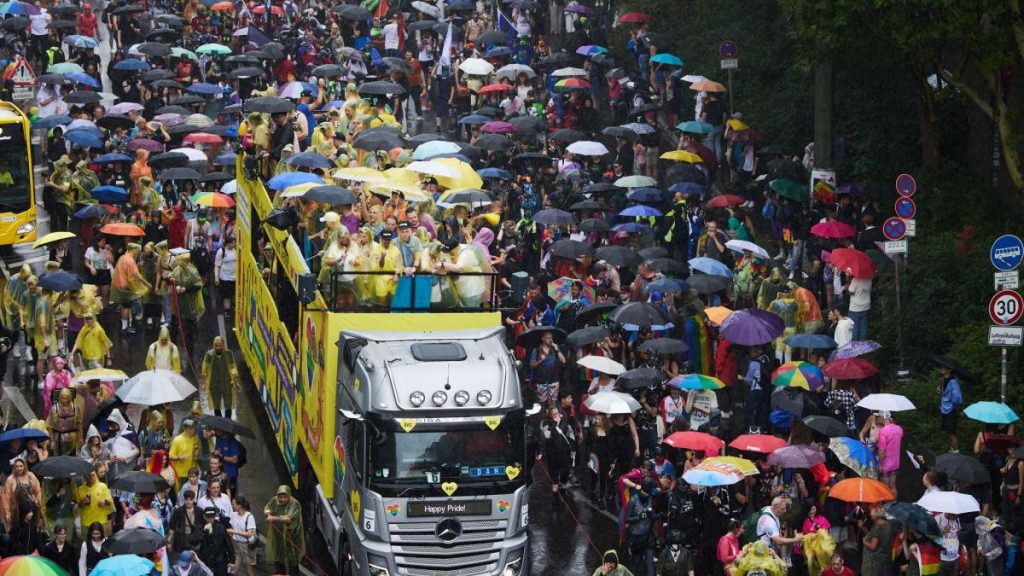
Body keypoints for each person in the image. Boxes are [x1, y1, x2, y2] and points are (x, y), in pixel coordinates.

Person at [265, 485, 304, 576]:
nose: (282, 499)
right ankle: (280, 573)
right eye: (280, 497)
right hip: (278, 534)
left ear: (289, 496)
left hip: (291, 536)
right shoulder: (275, 500)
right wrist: (267, 514)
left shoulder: (295, 504)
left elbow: (289, 518)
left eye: (285, 497)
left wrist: (273, 518)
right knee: (278, 556)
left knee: (292, 559)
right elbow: (267, 507)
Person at [538, 406, 575, 495]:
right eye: (553, 414)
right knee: (553, 468)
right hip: (552, 451)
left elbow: (571, 435)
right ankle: (555, 483)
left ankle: (563, 483)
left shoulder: (565, 422)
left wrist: (573, 449)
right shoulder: (547, 423)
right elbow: (546, 436)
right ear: (550, 415)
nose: (555, 415)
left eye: (556, 413)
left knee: (565, 468)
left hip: (564, 450)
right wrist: (553, 424)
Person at [625, 476, 658, 576]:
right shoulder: (633, 500)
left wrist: (657, 515)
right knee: (635, 566)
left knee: (650, 567)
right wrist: (640, 516)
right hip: (636, 538)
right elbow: (627, 519)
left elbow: (650, 516)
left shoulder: (650, 499)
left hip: (648, 537)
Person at [200, 336, 239, 418]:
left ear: (223, 345)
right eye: (216, 345)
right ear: (214, 345)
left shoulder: (229, 354)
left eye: (220, 345)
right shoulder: (209, 355)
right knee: (216, 405)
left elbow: (233, 368)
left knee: (228, 405)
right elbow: (205, 370)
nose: (218, 347)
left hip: (227, 384)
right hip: (214, 385)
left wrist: (236, 382)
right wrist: (204, 383)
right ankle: (220, 423)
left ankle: (228, 421)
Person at [529, 330, 565, 408]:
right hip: (541, 381)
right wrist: (541, 360)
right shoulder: (537, 350)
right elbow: (532, 365)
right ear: (542, 339)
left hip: (553, 380)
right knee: (542, 404)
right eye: (548, 338)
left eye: (551, 338)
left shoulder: (554, 350)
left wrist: (557, 349)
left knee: (553, 404)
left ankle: (554, 418)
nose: (550, 340)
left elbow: (563, 361)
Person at [75, 466, 114, 536]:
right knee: (87, 544)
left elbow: (110, 504)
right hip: (86, 522)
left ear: (96, 474)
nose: (91, 477)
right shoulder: (80, 489)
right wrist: (82, 503)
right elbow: (78, 506)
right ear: (84, 477)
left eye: (93, 475)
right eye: (88, 476)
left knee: (103, 543)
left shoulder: (103, 486)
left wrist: (105, 501)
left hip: (101, 521)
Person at [196, 506, 235, 575]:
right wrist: (203, 531)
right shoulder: (200, 527)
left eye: (212, 517)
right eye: (208, 517)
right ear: (204, 517)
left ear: (215, 517)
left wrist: (232, 561)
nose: (210, 519)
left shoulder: (221, 527)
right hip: (205, 560)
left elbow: (228, 544)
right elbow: (194, 541)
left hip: (219, 560)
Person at [228, 495, 257, 576]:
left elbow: (249, 533)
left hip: (246, 546)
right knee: (236, 567)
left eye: (233, 504)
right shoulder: (233, 515)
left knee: (249, 569)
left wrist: (235, 532)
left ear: (239, 505)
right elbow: (232, 526)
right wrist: (231, 532)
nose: (232, 505)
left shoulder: (249, 516)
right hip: (236, 544)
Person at [938, 365, 963, 452]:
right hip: (944, 408)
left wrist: (951, 400)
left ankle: (956, 451)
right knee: (948, 431)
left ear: (949, 370)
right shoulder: (943, 380)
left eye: (943, 367)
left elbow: (957, 399)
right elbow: (944, 394)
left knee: (952, 431)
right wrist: (940, 392)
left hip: (951, 409)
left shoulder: (953, 382)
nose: (941, 368)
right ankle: (952, 449)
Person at [170, 420, 201, 489]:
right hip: (180, 474)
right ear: (188, 429)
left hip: (192, 473)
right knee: (180, 493)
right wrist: (180, 458)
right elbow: (170, 456)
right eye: (194, 428)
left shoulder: (196, 438)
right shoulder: (177, 440)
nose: (196, 430)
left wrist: (196, 454)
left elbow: (198, 455)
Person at [168, 489, 201, 554]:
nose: (188, 501)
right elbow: (172, 526)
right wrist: (169, 542)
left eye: (190, 499)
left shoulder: (199, 511)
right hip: (181, 540)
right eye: (186, 499)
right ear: (184, 500)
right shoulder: (178, 511)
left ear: (193, 499)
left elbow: (202, 526)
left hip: (195, 540)